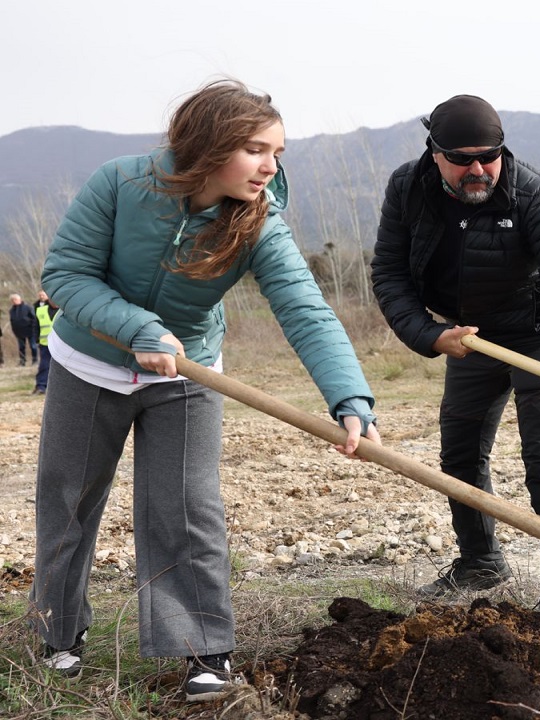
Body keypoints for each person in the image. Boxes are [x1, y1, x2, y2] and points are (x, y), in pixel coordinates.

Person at [32, 79, 382, 701]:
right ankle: (58, 634)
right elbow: (66, 273)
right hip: (89, 364)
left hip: (189, 375)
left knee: (187, 508)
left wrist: (349, 397)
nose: (271, 167)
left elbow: (305, 309)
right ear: (208, 144)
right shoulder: (119, 182)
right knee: (69, 499)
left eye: (277, 152)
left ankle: (202, 652)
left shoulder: (259, 223)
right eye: (255, 149)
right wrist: (136, 327)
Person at [371, 94, 540, 619]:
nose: (477, 169)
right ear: (434, 153)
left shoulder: (536, 192)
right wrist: (428, 333)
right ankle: (480, 561)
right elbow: (389, 273)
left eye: (488, 156)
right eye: (462, 158)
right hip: (470, 337)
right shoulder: (407, 187)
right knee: (460, 454)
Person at [32, 295, 57, 394]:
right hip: (45, 343)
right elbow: (36, 326)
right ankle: (41, 386)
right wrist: (36, 338)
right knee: (44, 365)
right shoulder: (40, 310)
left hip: (61, 344)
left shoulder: (65, 311)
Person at [10, 293, 39, 366]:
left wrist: (33, 328)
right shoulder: (11, 310)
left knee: (33, 346)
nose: (14, 301)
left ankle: (35, 361)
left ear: (20, 299)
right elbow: (12, 321)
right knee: (21, 347)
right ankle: (22, 362)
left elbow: (34, 318)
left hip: (30, 330)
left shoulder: (27, 307)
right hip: (19, 332)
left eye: (15, 299)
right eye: (12, 300)